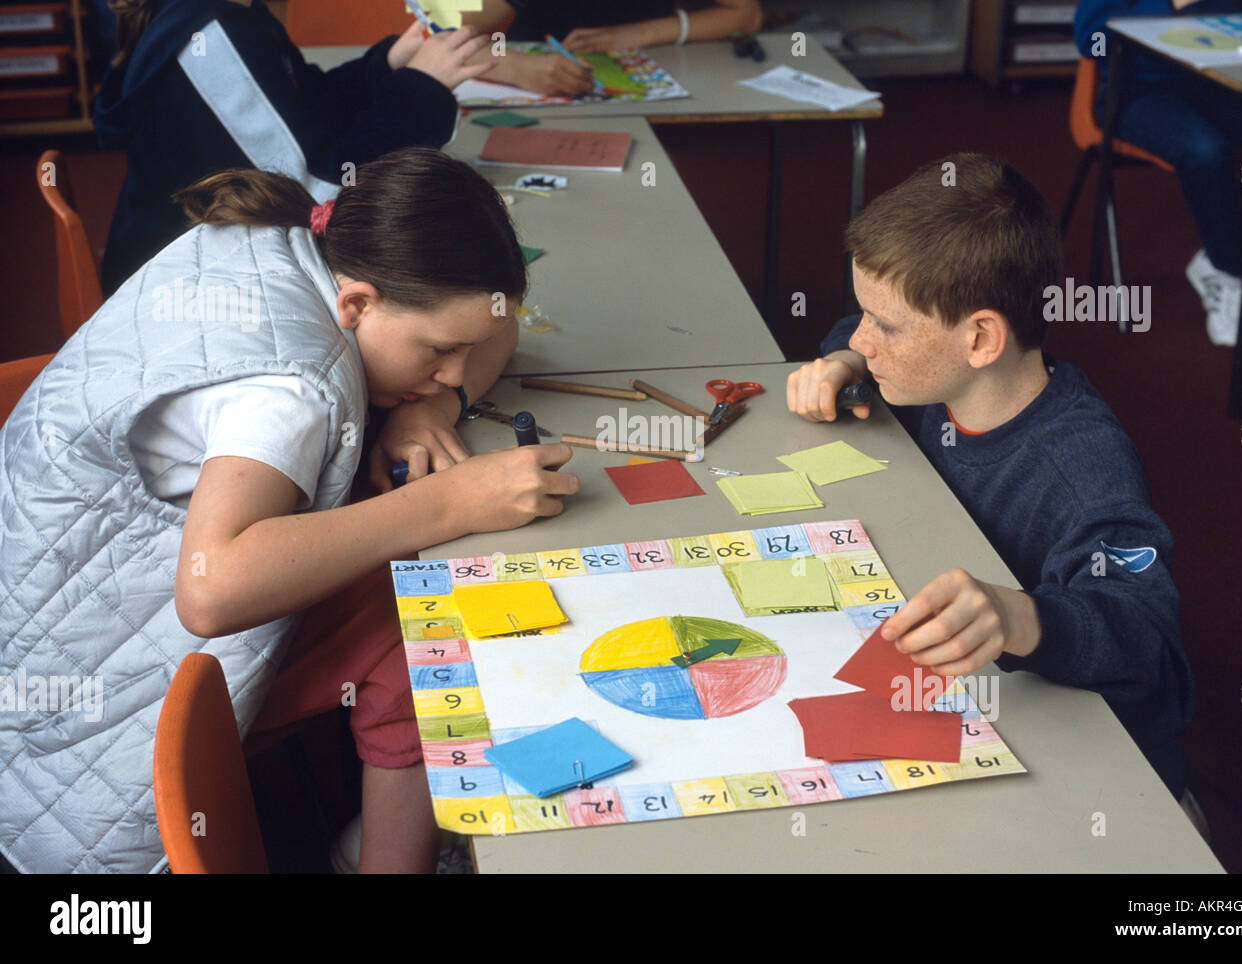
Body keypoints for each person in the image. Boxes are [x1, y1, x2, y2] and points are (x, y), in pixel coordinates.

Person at [0, 147, 579, 874]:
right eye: (438, 351)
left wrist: (431, 401)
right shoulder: (294, 387)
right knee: (429, 618)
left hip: (50, 599)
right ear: (358, 304)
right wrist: (449, 502)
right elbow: (213, 591)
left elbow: (496, 327)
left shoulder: (290, 239)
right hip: (77, 694)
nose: (459, 367)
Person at [787, 154, 1197, 804]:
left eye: (885, 327)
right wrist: (841, 362)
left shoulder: (1084, 468)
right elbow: (857, 331)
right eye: (863, 314)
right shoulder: (939, 371)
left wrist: (1019, 615)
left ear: (981, 339)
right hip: (985, 716)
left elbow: (1154, 653)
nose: (863, 337)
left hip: (1111, 782)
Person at [95, 0, 492, 296]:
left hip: (223, 263)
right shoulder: (211, 37)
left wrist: (387, 66)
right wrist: (421, 88)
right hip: (179, 292)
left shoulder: (239, 12)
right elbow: (320, 198)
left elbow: (307, 110)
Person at [1074, 0, 1242, 346]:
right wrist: (1170, 3)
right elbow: (1090, 38)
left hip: (1222, 83)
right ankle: (1232, 268)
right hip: (1136, 91)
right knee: (1205, 150)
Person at [461, 0, 763, 96]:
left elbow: (746, 15)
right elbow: (434, 33)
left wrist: (643, 32)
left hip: (650, 94)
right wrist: (516, 68)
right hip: (537, 106)